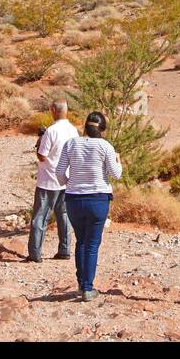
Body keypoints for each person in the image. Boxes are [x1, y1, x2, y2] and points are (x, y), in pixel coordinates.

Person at [55, 112, 121, 301]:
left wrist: (71, 184)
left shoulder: (72, 143)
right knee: (92, 244)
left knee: (81, 241)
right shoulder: (105, 146)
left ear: (85, 126)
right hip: (98, 199)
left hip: (74, 199)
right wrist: (118, 160)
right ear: (103, 129)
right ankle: (87, 288)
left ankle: (81, 282)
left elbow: (59, 172)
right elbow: (116, 174)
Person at [29, 100, 77, 262]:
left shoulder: (51, 131)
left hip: (48, 181)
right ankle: (64, 250)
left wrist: (39, 142)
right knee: (64, 216)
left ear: (52, 110)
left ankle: (35, 254)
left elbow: (42, 156)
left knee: (39, 218)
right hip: (66, 180)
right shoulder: (73, 130)